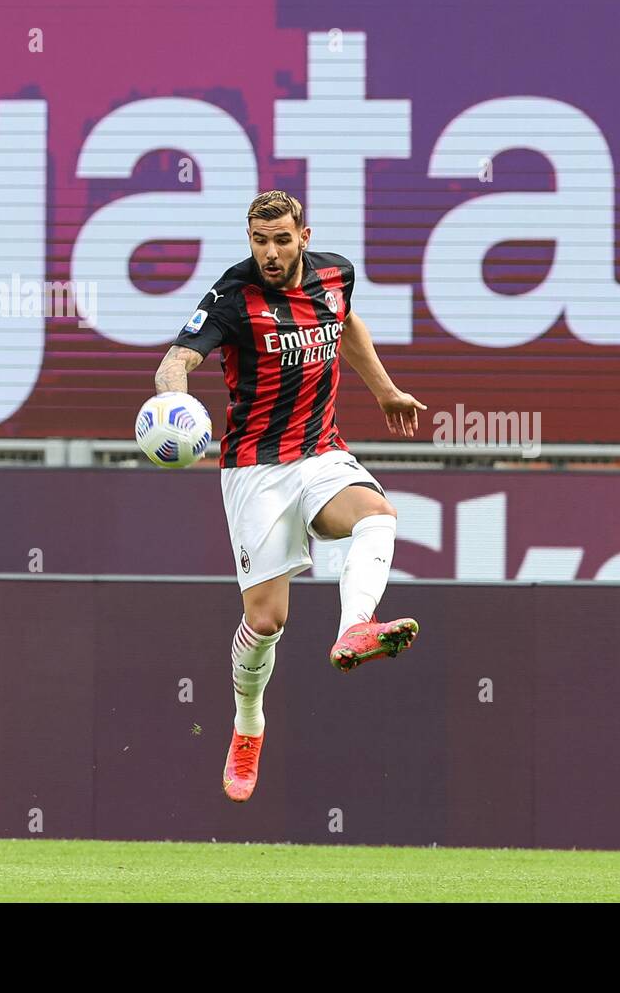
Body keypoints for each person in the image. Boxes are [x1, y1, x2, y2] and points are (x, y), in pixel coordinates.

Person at [154, 190, 426, 802]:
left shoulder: (335, 274)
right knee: (266, 619)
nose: (270, 253)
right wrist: (172, 399)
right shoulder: (232, 295)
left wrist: (384, 389)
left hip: (321, 452)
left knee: (378, 515)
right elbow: (176, 360)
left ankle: (356, 628)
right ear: (248, 239)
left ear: (303, 236)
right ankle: (248, 726)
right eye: (259, 241)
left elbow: (344, 320)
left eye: (281, 240)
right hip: (255, 470)